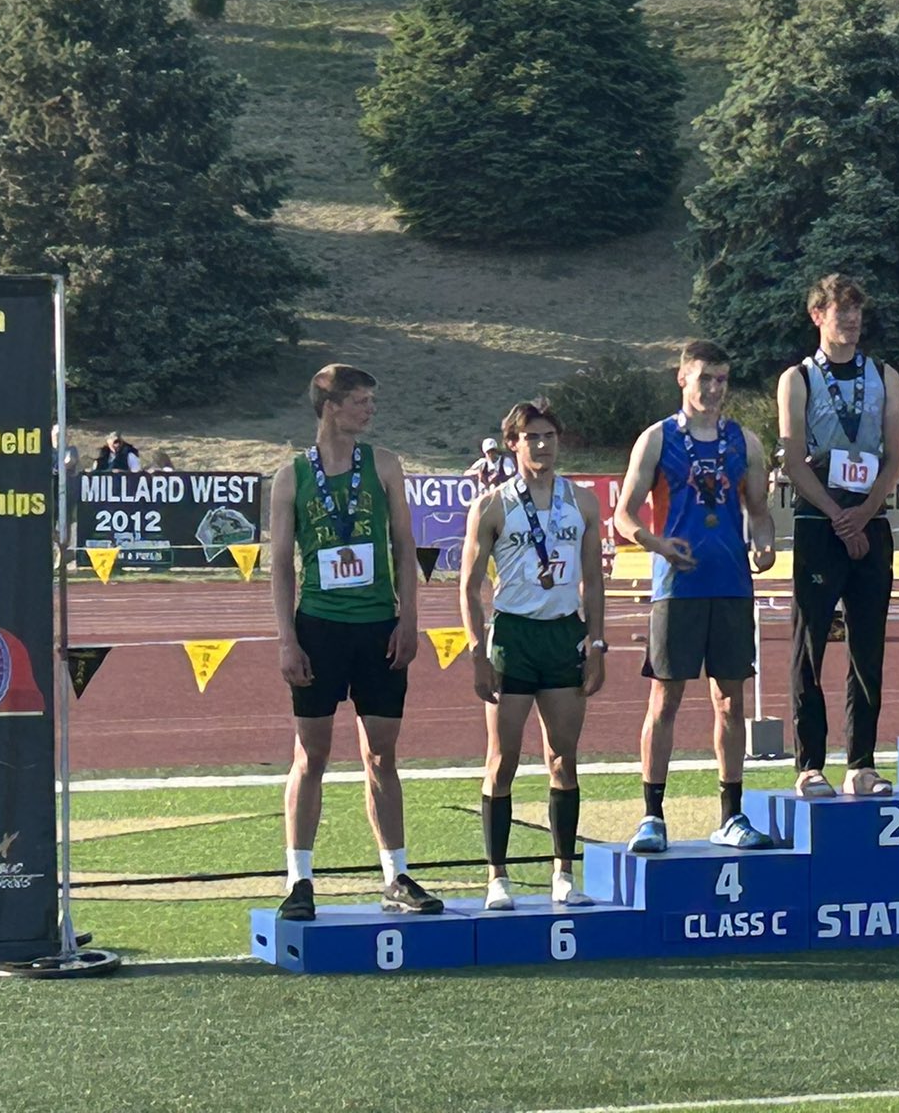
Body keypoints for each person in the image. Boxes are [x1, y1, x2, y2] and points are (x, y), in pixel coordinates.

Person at [267, 363, 440, 921]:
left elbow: (405, 547)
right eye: (360, 401)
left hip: (378, 629)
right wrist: (287, 640)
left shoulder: (384, 465)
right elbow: (280, 567)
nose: (370, 409)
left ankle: (396, 875)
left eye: (370, 400)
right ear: (330, 406)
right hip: (319, 627)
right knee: (311, 755)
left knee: (381, 754)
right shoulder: (291, 477)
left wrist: (409, 618)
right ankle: (299, 880)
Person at [613, 341, 777, 853]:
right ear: (682, 378)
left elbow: (758, 510)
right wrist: (658, 544)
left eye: (722, 379)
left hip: (730, 585)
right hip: (676, 588)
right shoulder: (657, 439)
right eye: (704, 377)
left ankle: (731, 815)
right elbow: (623, 515)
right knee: (665, 699)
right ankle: (652, 815)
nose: (713, 388)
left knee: (731, 702)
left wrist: (766, 542)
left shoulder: (745, 442)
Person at [458, 399, 607, 909]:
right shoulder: (493, 505)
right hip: (513, 638)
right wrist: (477, 650)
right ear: (513, 445)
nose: (542, 445)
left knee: (563, 759)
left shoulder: (582, 502)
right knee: (503, 760)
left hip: (563, 636)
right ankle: (497, 876)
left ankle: (563, 873)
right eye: (531, 437)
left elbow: (594, 579)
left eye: (549, 436)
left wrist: (598, 642)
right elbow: (469, 584)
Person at [776, 274, 899, 799]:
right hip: (818, 522)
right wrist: (836, 515)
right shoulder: (798, 379)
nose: (849, 320)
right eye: (838, 311)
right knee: (810, 646)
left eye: (855, 311)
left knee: (867, 647)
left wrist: (865, 512)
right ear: (817, 316)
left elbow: (894, 456)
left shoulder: (885, 375)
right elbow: (791, 456)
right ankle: (809, 764)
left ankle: (862, 763)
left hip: (870, 520)